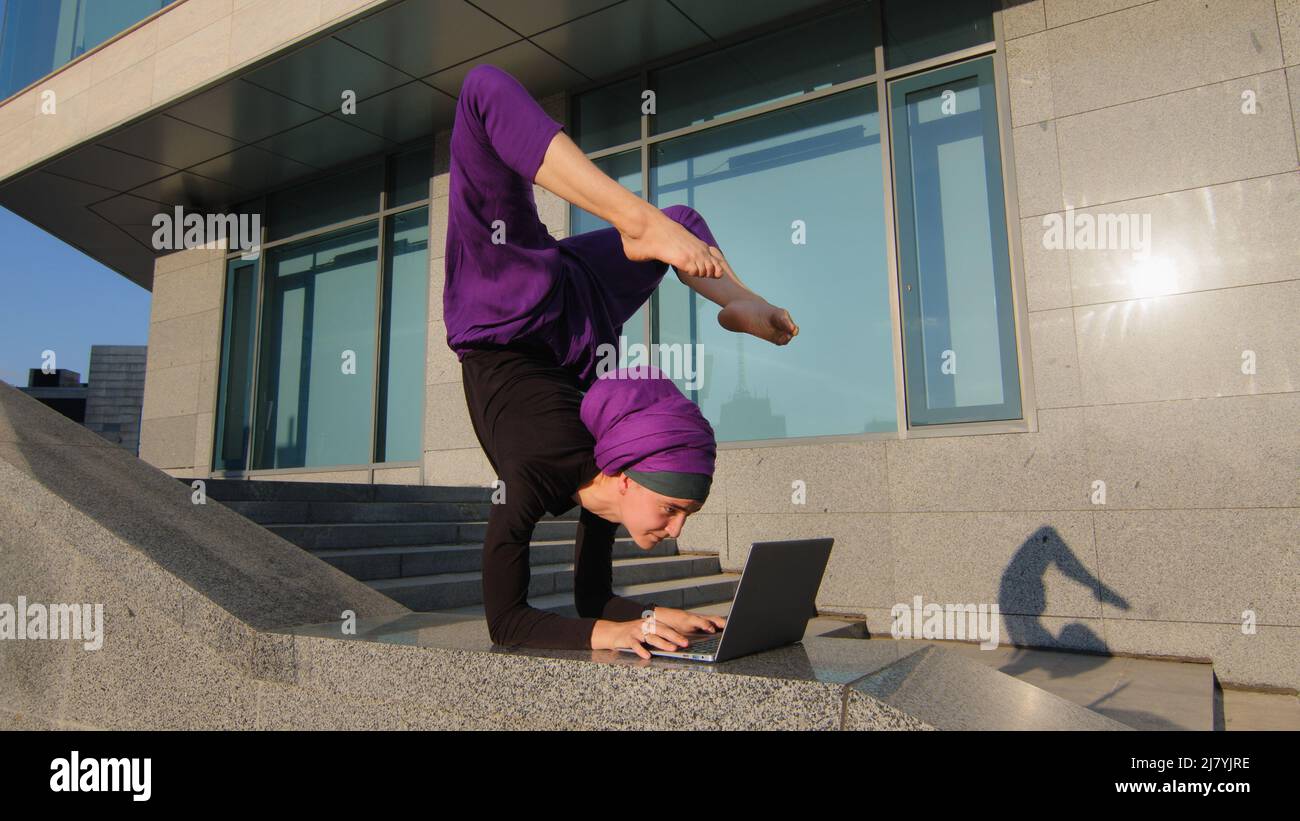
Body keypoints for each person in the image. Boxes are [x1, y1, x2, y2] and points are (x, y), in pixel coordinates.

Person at [446, 64, 799, 659]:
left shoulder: (605, 465)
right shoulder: (540, 473)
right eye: (672, 509)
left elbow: (592, 602)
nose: (676, 530)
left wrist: (653, 619)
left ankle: (736, 296)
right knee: (482, 93)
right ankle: (644, 227)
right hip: (504, 310)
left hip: (570, 320)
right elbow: (505, 624)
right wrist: (616, 631)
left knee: (680, 229)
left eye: (680, 513)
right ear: (629, 478)